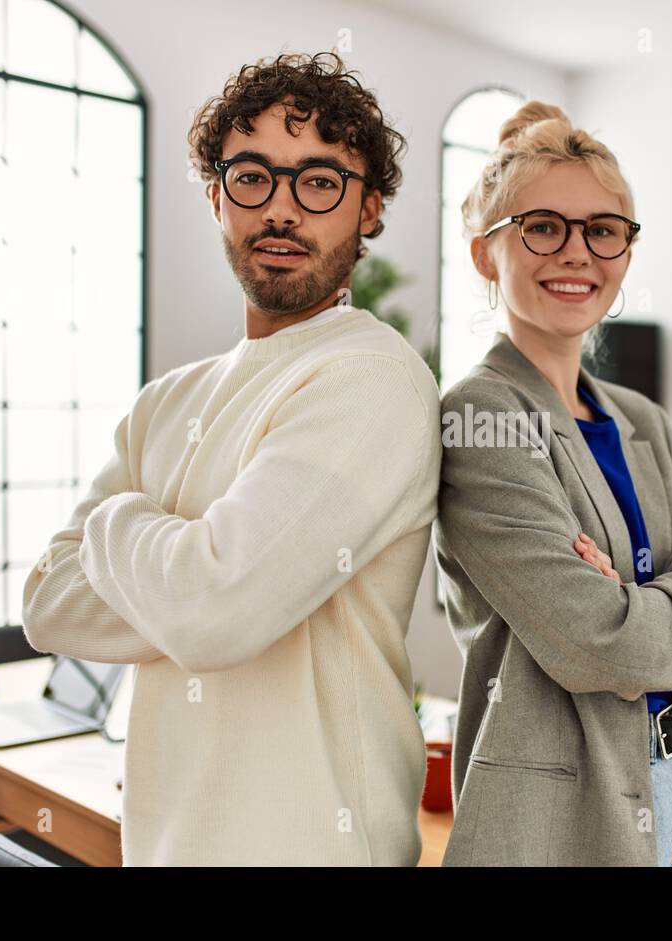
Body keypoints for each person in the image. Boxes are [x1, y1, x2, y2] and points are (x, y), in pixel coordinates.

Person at [22, 51, 441, 866]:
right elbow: (47, 601)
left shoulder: (372, 378)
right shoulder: (163, 402)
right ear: (217, 196)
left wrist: (118, 520)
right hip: (165, 844)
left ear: (369, 211)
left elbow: (215, 612)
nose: (282, 210)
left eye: (320, 182)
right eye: (253, 177)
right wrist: (189, 581)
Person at [433, 101, 672, 866]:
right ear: (487, 254)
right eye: (542, 227)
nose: (576, 253)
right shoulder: (482, 416)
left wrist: (640, 604)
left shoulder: (642, 419)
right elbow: (602, 650)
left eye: (602, 230)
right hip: (567, 811)